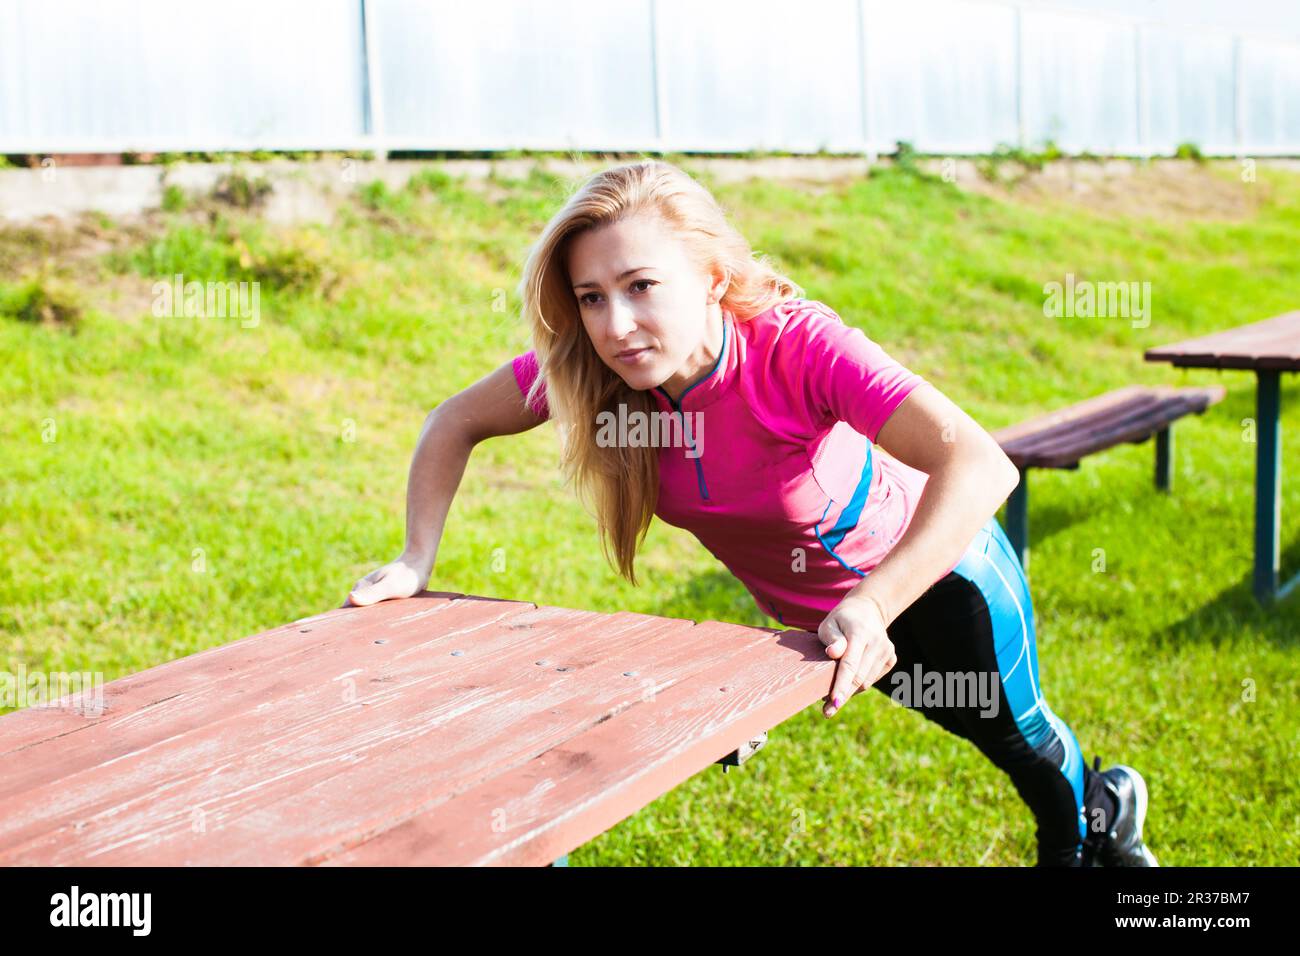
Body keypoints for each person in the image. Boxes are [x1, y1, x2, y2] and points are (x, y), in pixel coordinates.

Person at [344, 159, 1158, 867]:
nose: (615, 326)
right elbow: (453, 421)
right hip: (827, 621)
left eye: (640, 287)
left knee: (1012, 741)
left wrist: (874, 606)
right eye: (592, 298)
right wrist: (416, 558)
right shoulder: (589, 372)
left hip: (942, 582)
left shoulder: (794, 348)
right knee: (966, 731)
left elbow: (979, 465)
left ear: (711, 279)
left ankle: (1098, 822)